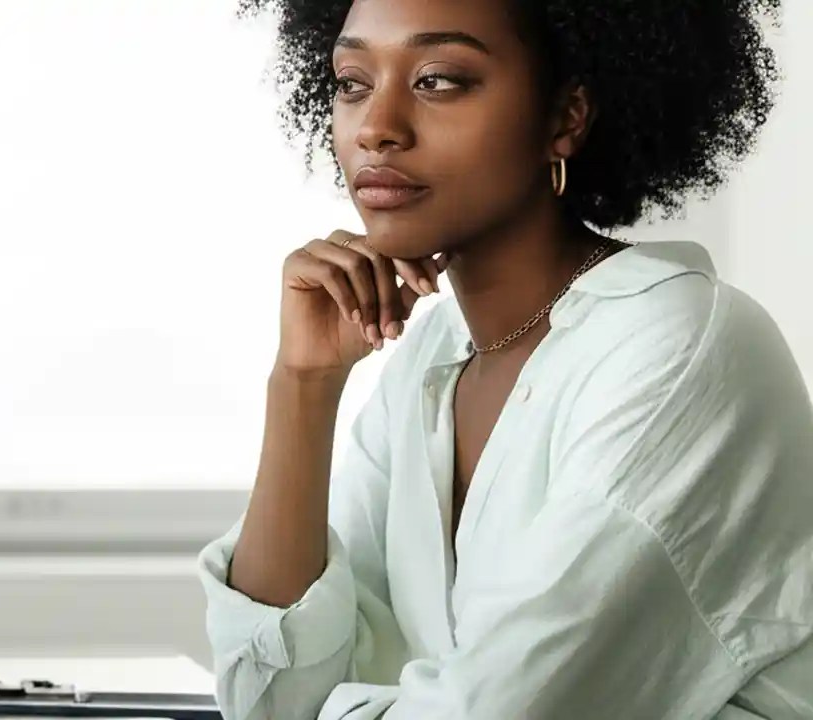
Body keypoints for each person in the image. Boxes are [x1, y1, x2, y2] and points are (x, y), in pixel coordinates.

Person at [196, 0, 813, 718]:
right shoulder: (433, 360)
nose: (378, 128)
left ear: (565, 118)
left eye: (439, 80)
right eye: (352, 82)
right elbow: (269, 697)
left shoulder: (681, 350)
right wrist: (303, 383)